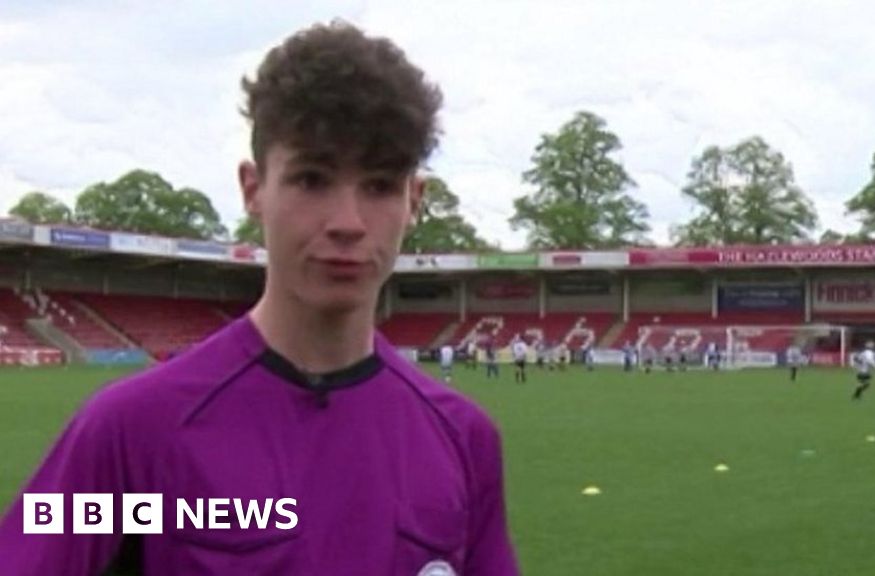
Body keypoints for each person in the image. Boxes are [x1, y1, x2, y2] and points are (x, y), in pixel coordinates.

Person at [0, 21, 519, 576]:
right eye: (312, 179)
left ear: (414, 200)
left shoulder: (463, 439)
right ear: (253, 189)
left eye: (379, 185)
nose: (348, 222)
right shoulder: (132, 431)